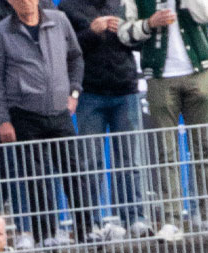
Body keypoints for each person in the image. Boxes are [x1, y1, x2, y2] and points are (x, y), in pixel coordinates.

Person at [122, 0, 208, 239]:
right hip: (160, 78)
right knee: (166, 151)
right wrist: (149, 24)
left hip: (198, 73)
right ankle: (171, 220)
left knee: (203, 147)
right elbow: (124, 33)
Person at [0, 0, 86, 249]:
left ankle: (85, 230)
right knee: (36, 177)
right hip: (24, 114)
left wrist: (73, 92)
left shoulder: (59, 20)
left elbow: (75, 58)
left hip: (59, 112)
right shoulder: (1, 31)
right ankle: (45, 236)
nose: (25, 2)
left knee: (74, 172)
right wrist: (3, 119)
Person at [63, 0, 149, 240]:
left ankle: (135, 219)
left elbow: (142, 40)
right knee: (90, 164)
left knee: (129, 162)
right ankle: (92, 223)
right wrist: (92, 32)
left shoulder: (124, 3)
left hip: (125, 90)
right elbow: (66, 49)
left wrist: (126, 31)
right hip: (90, 93)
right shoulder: (69, 7)